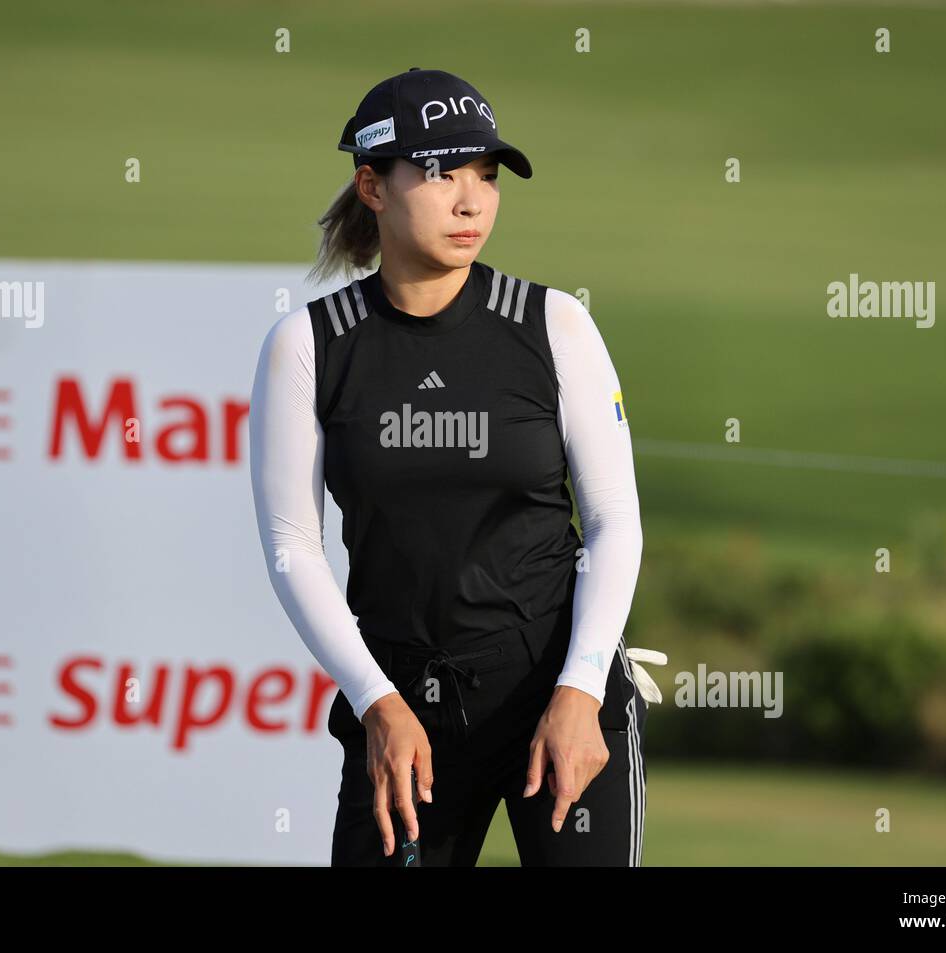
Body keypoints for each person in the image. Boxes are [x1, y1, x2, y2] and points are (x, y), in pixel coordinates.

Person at [249, 67, 661, 866]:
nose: (472, 201)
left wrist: (581, 690)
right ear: (372, 185)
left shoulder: (555, 325)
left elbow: (615, 521)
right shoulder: (309, 344)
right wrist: (375, 702)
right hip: (401, 706)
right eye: (442, 174)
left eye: (487, 175)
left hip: (559, 691)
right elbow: (292, 545)